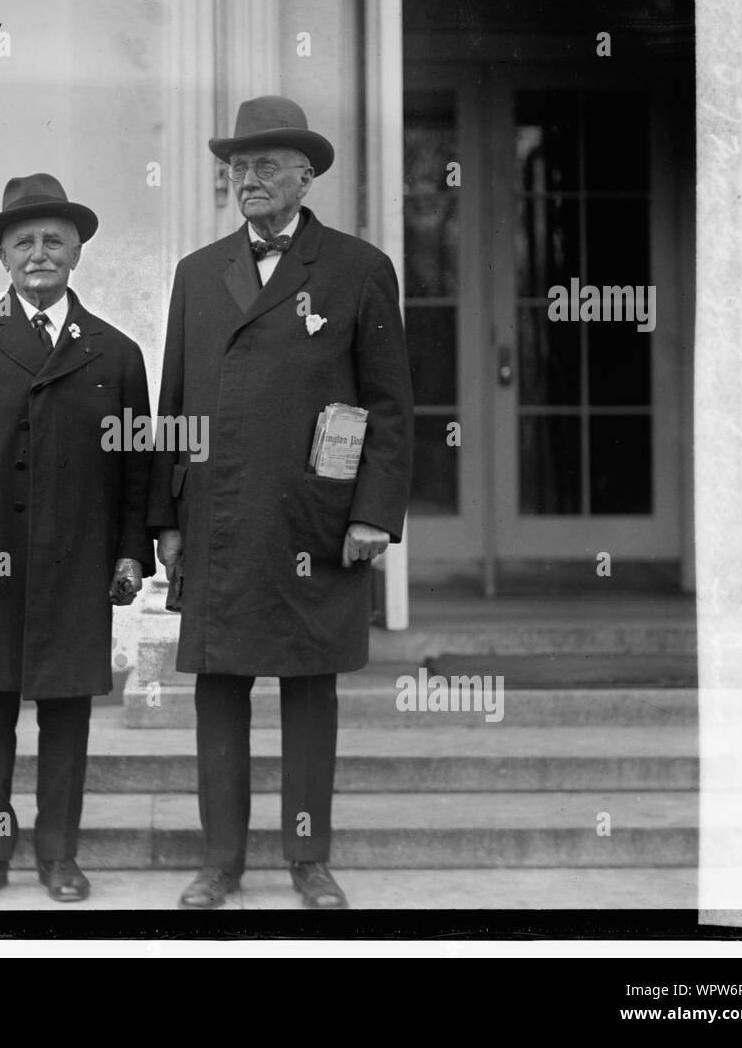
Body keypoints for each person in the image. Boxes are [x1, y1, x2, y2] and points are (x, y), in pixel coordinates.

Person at [148, 97, 414, 909]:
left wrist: (373, 511)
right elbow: (173, 404)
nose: (249, 179)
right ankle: (220, 862)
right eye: (238, 166)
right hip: (217, 516)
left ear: (306, 173)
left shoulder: (358, 269)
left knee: (309, 687)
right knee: (218, 688)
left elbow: (391, 406)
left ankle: (308, 860)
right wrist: (164, 516)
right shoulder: (197, 272)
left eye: (267, 164)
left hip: (315, 518)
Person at [0, 173, 154, 906]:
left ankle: (59, 858)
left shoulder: (115, 352)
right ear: (4, 256)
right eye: (24, 242)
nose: (39, 253)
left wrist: (132, 550)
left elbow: (137, 465)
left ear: (76, 251)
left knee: (69, 708)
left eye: (53, 240)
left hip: (77, 556)